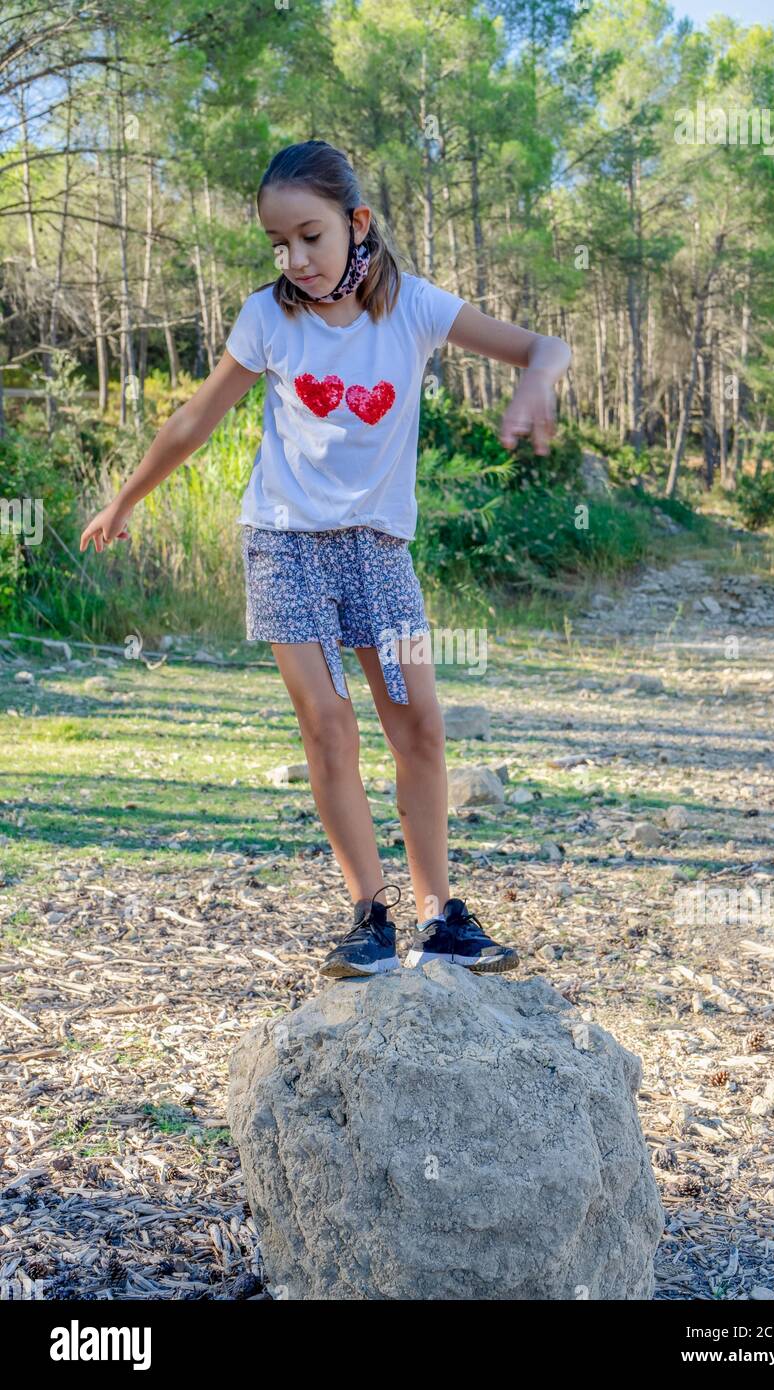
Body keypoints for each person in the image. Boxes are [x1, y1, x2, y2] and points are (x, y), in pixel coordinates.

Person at [80, 139, 571, 980]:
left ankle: (439, 915)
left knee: (417, 724)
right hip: (284, 545)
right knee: (328, 725)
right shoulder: (268, 318)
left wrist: (535, 383)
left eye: (310, 235)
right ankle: (368, 915)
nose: (295, 258)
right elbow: (195, 419)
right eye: (279, 243)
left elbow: (545, 347)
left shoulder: (413, 308)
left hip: (380, 553)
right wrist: (126, 498)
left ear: (358, 223)